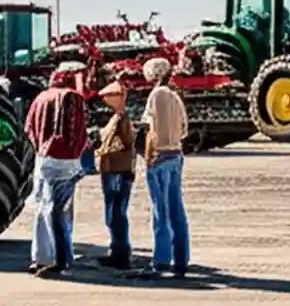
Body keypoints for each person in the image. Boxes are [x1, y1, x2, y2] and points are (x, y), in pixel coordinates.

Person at [23, 61, 90, 278]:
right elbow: (73, 132)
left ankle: (41, 257)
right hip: (65, 160)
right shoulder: (71, 97)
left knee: (43, 209)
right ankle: (61, 259)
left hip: (43, 158)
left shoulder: (40, 98)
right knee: (60, 211)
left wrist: (42, 149)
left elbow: (29, 129)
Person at [138, 56, 191, 278]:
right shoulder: (175, 97)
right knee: (176, 208)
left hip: (158, 157)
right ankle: (181, 259)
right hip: (176, 155)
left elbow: (149, 125)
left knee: (160, 211)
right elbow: (185, 128)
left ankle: (161, 261)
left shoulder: (155, 95)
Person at [93, 80, 136, 270]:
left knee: (116, 214)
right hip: (112, 169)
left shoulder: (122, 119)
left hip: (117, 170)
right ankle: (117, 251)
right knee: (114, 213)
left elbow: (127, 143)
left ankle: (120, 254)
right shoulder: (117, 118)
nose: (105, 99)